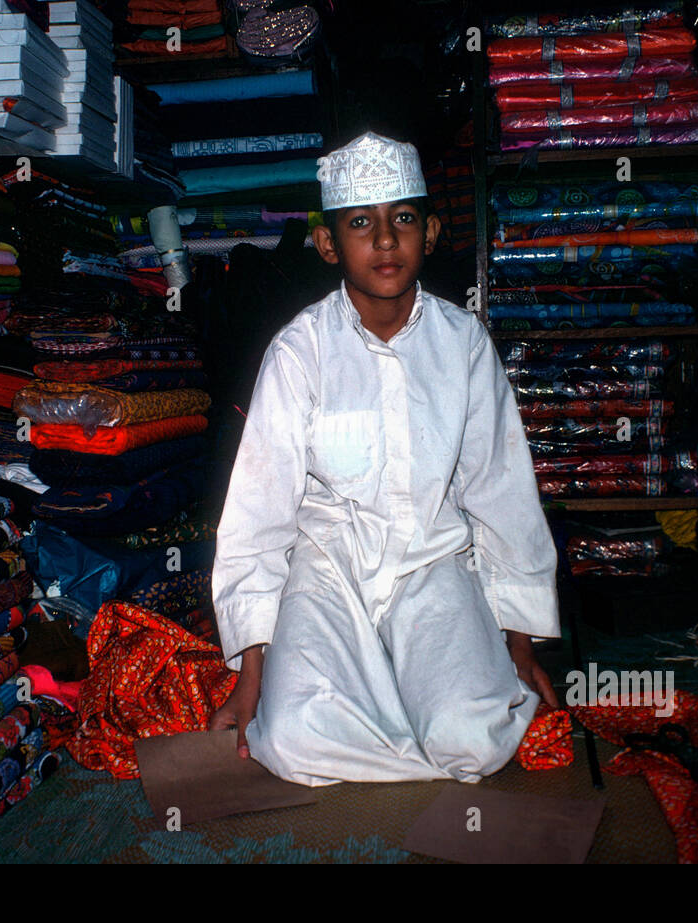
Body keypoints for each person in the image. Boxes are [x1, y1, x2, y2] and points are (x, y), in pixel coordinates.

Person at [209, 132, 561, 786]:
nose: (384, 240)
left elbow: (501, 492)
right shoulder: (300, 351)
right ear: (328, 243)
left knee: (474, 738)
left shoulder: (464, 345)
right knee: (291, 739)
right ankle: (399, 712)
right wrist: (250, 680)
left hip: (433, 558)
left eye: (401, 219)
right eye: (360, 223)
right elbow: (257, 514)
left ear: (429, 232)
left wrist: (518, 646)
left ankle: (418, 709)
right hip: (328, 567)